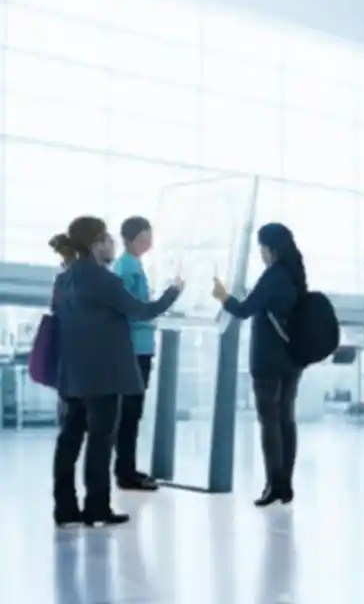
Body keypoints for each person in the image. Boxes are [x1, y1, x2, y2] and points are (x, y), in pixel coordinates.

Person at [50, 217, 182, 527]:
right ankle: (97, 507)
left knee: (69, 439)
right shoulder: (103, 281)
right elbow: (142, 311)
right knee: (100, 440)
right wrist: (173, 292)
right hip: (103, 374)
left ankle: (66, 508)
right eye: (107, 238)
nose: (112, 243)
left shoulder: (64, 279)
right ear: (96, 244)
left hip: (72, 374)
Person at [212, 223, 305, 507]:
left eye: (262, 249)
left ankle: (274, 485)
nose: (261, 254)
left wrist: (223, 296)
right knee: (286, 418)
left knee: (269, 421)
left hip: (268, 360)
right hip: (293, 359)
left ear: (271, 249)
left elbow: (244, 310)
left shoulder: (273, 276)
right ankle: (285, 485)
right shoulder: (295, 274)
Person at [111, 216, 160, 491]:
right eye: (143, 238)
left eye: (149, 237)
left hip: (140, 346)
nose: (148, 242)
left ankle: (128, 469)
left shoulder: (134, 264)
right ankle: (126, 473)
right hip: (134, 348)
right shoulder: (126, 268)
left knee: (133, 412)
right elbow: (132, 309)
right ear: (128, 240)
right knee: (129, 412)